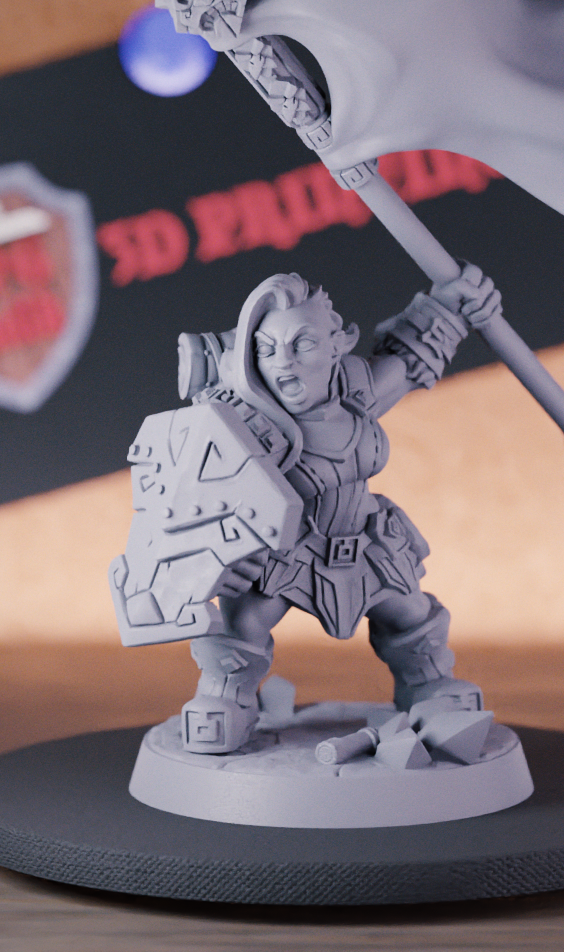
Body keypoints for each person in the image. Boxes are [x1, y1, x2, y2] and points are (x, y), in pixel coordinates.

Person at [180, 264, 502, 752]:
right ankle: (227, 697)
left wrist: (453, 306)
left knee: (412, 614)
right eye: (266, 349)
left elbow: (411, 357)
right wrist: (219, 552)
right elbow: (197, 497)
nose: (283, 363)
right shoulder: (244, 419)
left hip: (366, 545)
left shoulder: (358, 393)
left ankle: (429, 686)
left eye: (303, 344)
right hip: (287, 556)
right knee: (241, 626)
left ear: (339, 343)